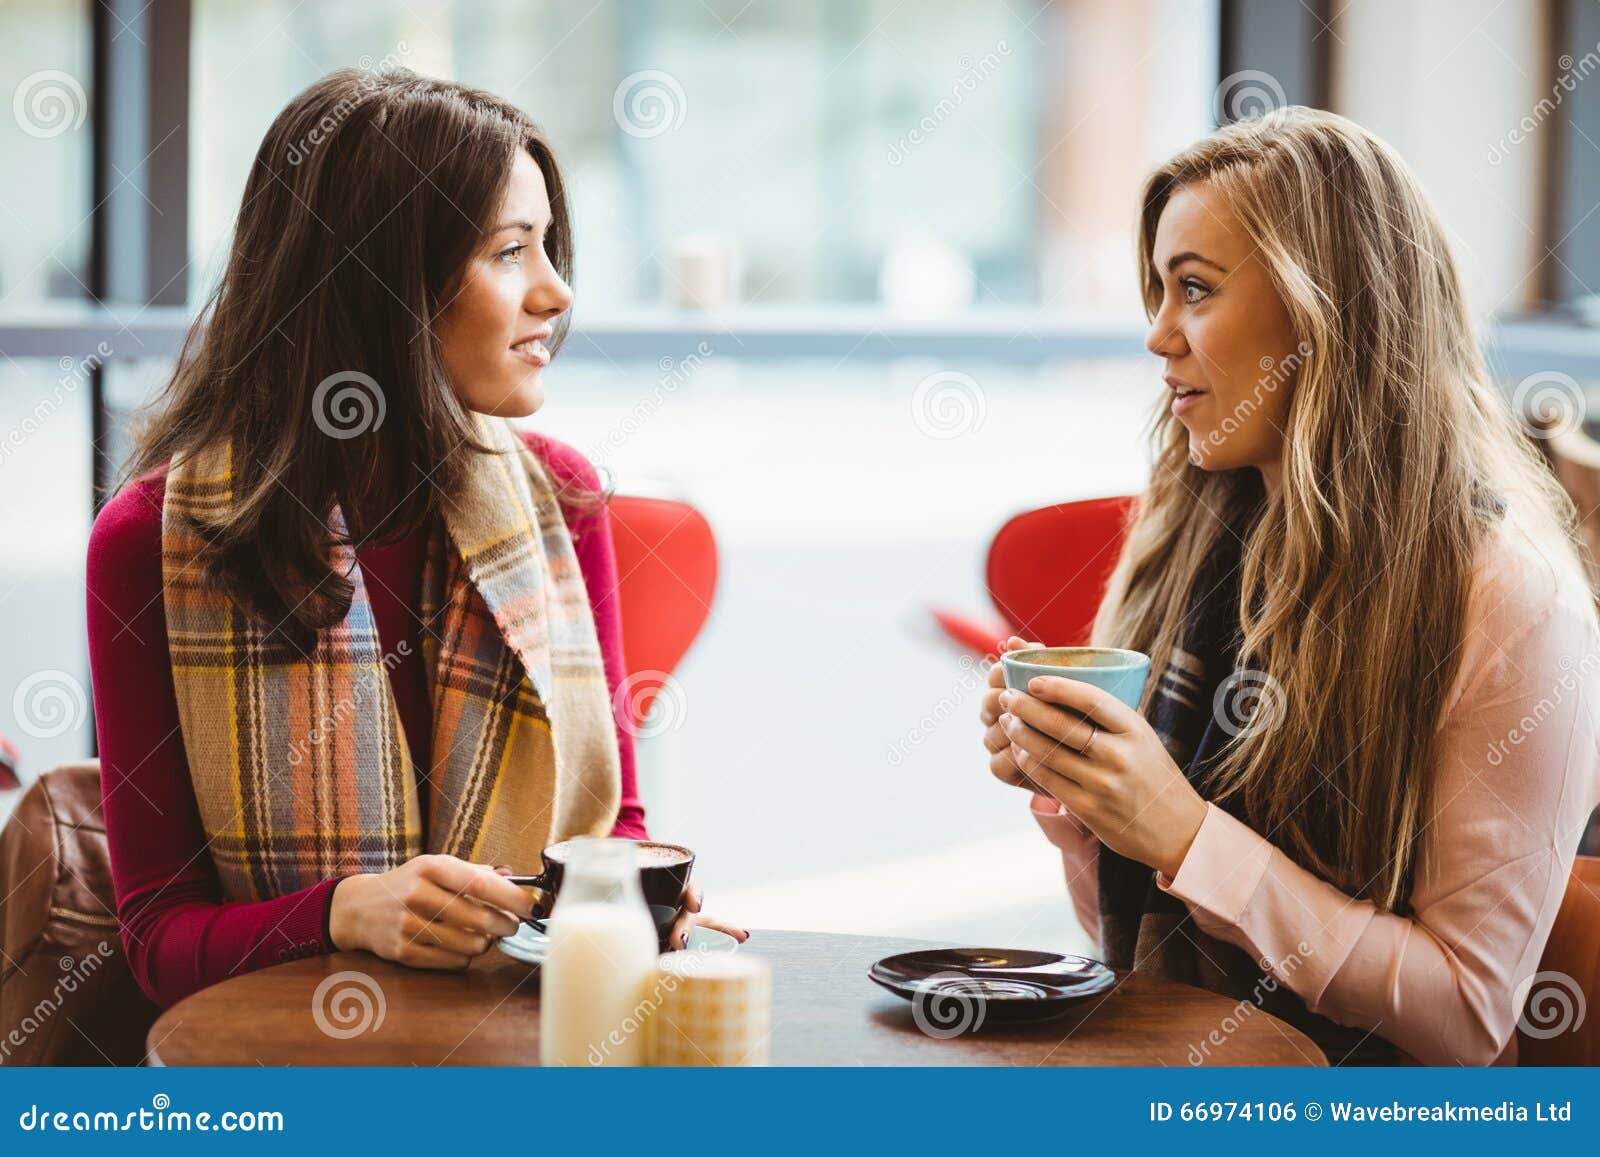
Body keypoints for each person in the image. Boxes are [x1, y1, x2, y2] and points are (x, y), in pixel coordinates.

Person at [87, 70, 743, 1010]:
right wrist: (344, 912)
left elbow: (612, 824)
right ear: (380, 282)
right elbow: (159, 940)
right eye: (512, 251)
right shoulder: (150, 541)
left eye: (550, 246)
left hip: (521, 1058)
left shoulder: (563, 497)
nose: (557, 293)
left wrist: (638, 899)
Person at [979, 107, 1600, 1065]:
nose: (1157, 337)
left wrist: (1188, 837)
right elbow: (1130, 951)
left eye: (1193, 289)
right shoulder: (1185, 534)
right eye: (1156, 292)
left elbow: (1469, 1018)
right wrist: (1083, 794)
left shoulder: (1511, 601)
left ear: (1325, 314)